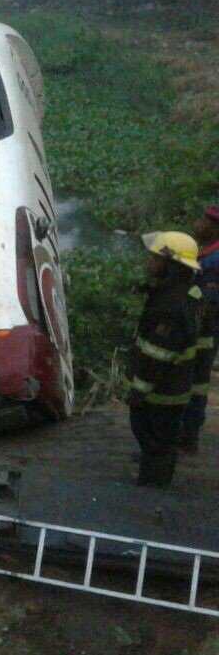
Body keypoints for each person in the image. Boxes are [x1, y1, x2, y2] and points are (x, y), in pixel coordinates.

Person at [128, 231, 203, 487]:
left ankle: (153, 491)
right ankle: (153, 476)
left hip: (161, 392)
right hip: (170, 388)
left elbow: (159, 354)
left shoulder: (171, 306)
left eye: (155, 258)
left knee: (157, 442)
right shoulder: (178, 293)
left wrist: (140, 390)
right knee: (157, 440)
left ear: (171, 265)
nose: (149, 262)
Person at [182, 206, 219, 453]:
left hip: (202, 333)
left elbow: (207, 300)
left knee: (193, 384)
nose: (197, 224)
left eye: (203, 221)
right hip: (197, 330)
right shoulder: (204, 252)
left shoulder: (215, 260)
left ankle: (187, 437)